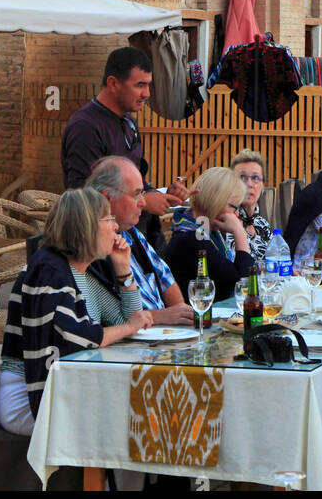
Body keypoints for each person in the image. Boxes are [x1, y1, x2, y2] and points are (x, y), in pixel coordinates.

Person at [0, 188, 152, 435]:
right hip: (25, 399)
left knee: (139, 412)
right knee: (127, 421)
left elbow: (130, 322)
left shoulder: (81, 274)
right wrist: (128, 327)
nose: (116, 228)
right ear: (86, 226)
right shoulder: (48, 272)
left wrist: (123, 269)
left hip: (65, 386)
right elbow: (77, 338)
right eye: (109, 220)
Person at [61, 47, 188, 233]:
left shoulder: (129, 121)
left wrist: (161, 194)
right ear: (113, 83)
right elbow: (82, 195)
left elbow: (135, 180)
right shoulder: (85, 127)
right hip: (100, 241)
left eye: (148, 85)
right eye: (139, 85)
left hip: (136, 235)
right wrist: (143, 202)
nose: (147, 94)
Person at [85, 157, 194, 324]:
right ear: (107, 198)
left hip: (156, 337)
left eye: (142, 193)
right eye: (136, 194)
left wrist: (182, 319)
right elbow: (112, 321)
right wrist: (162, 317)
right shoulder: (88, 249)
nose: (143, 203)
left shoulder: (131, 233)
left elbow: (165, 279)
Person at [164, 168, 255, 300]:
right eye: (235, 207)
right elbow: (243, 283)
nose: (237, 214)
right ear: (218, 203)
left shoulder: (205, 231)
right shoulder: (193, 240)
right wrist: (240, 233)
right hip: (197, 317)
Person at [228, 148, 273, 262]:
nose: (249, 184)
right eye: (242, 178)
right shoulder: (223, 224)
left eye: (255, 178)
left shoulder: (262, 224)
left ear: (263, 185)